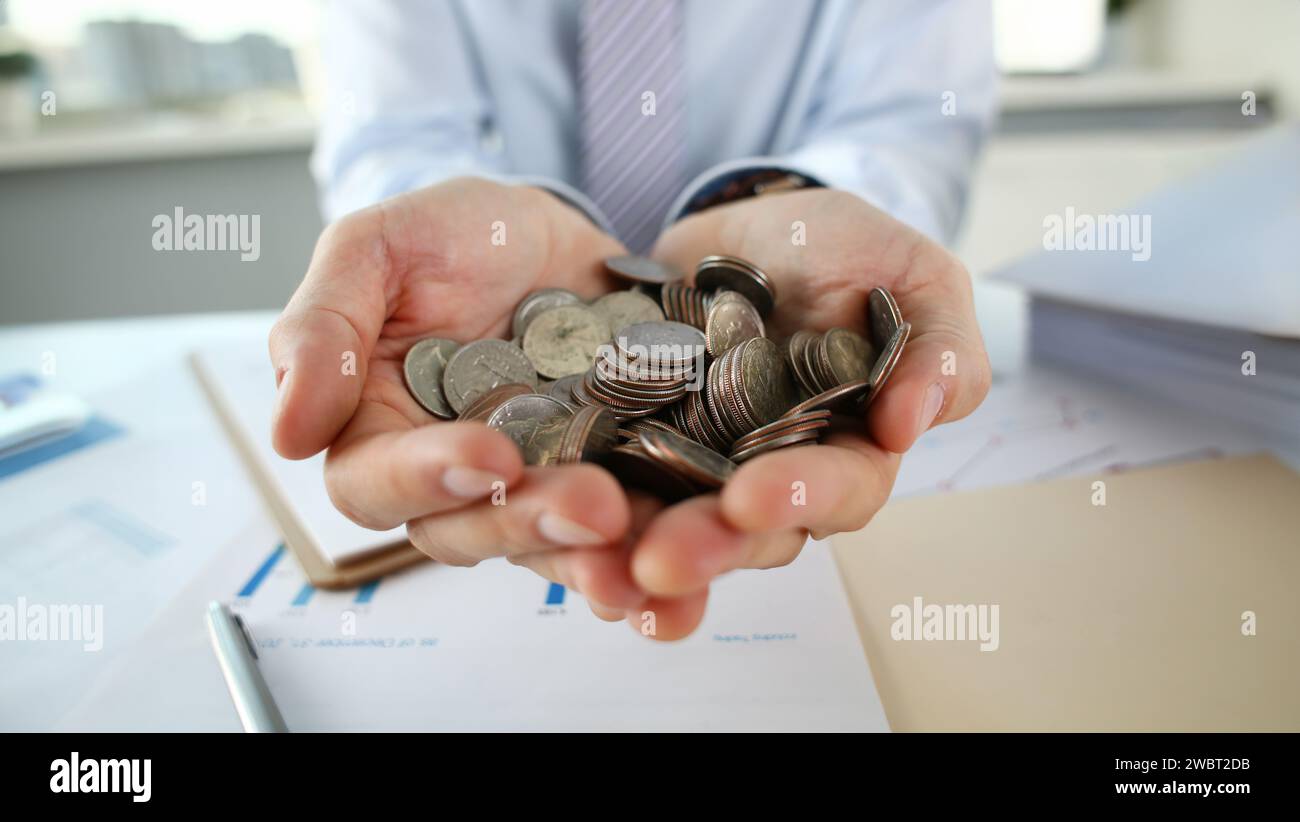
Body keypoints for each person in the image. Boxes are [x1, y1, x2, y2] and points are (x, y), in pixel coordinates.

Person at [269, 0, 996, 640]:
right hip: (499, 303)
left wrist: (806, 204)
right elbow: (393, 130)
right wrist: (431, 234)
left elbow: (912, 119)